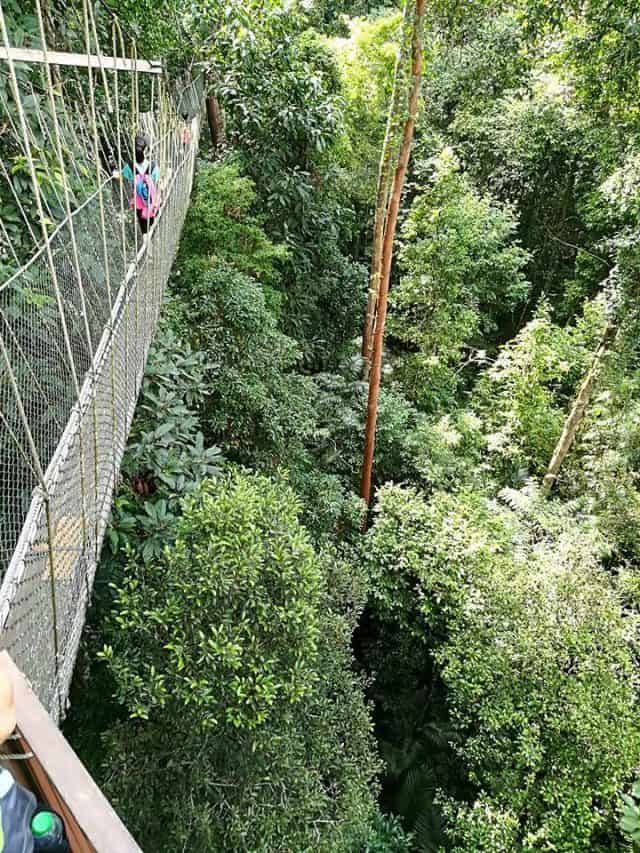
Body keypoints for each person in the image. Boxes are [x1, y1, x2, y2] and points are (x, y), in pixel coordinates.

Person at [113, 134, 160, 249]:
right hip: (152, 203)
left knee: (144, 229)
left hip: (139, 205)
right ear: (145, 150)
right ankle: (155, 244)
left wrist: (115, 174)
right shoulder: (153, 166)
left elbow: (121, 176)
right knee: (153, 226)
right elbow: (157, 183)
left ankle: (148, 251)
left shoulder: (129, 166)